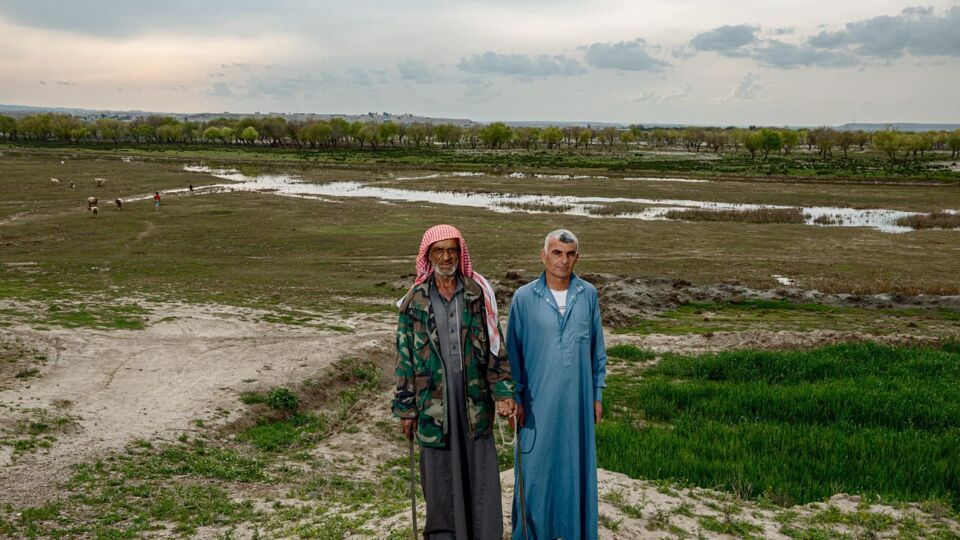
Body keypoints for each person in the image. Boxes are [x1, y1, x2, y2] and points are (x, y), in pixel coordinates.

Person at [393, 224, 519, 540]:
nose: (446, 257)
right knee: (438, 475)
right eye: (439, 250)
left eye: (452, 250)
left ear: (460, 254)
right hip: (432, 404)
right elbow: (404, 357)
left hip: (474, 400)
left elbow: (495, 346)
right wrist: (406, 408)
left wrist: (503, 391)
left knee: (480, 470)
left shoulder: (478, 295)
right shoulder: (414, 302)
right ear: (428, 256)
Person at [507, 229, 607, 540]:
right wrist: (516, 398)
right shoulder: (524, 298)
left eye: (570, 253)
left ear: (578, 257)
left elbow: (596, 351)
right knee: (534, 472)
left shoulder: (587, 294)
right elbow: (513, 354)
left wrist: (597, 394)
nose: (563, 260)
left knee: (575, 471)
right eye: (557, 253)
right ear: (543, 255)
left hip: (577, 404)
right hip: (537, 405)